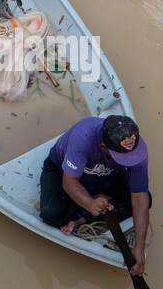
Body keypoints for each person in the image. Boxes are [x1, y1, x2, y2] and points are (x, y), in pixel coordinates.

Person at [39, 115, 151, 275]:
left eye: (130, 157)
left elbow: (140, 197)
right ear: (103, 146)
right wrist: (90, 203)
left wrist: (139, 247)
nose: (130, 160)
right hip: (64, 172)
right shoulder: (83, 137)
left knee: (147, 200)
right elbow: (69, 182)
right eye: (123, 158)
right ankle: (90, 207)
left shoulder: (136, 149)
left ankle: (82, 219)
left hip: (107, 176)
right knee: (51, 213)